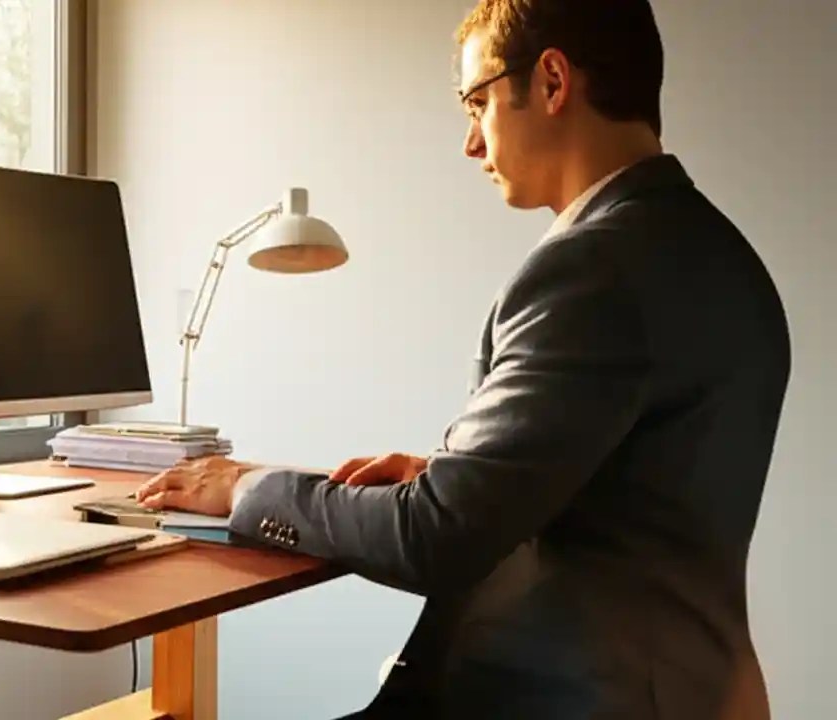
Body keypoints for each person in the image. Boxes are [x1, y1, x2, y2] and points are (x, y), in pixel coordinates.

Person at [134, 1, 791, 718]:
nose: (470, 144)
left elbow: (436, 539)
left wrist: (247, 489)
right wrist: (451, 477)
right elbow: (643, 489)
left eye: (476, 102)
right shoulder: (721, 255)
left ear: (550, 81)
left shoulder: (594, 268)